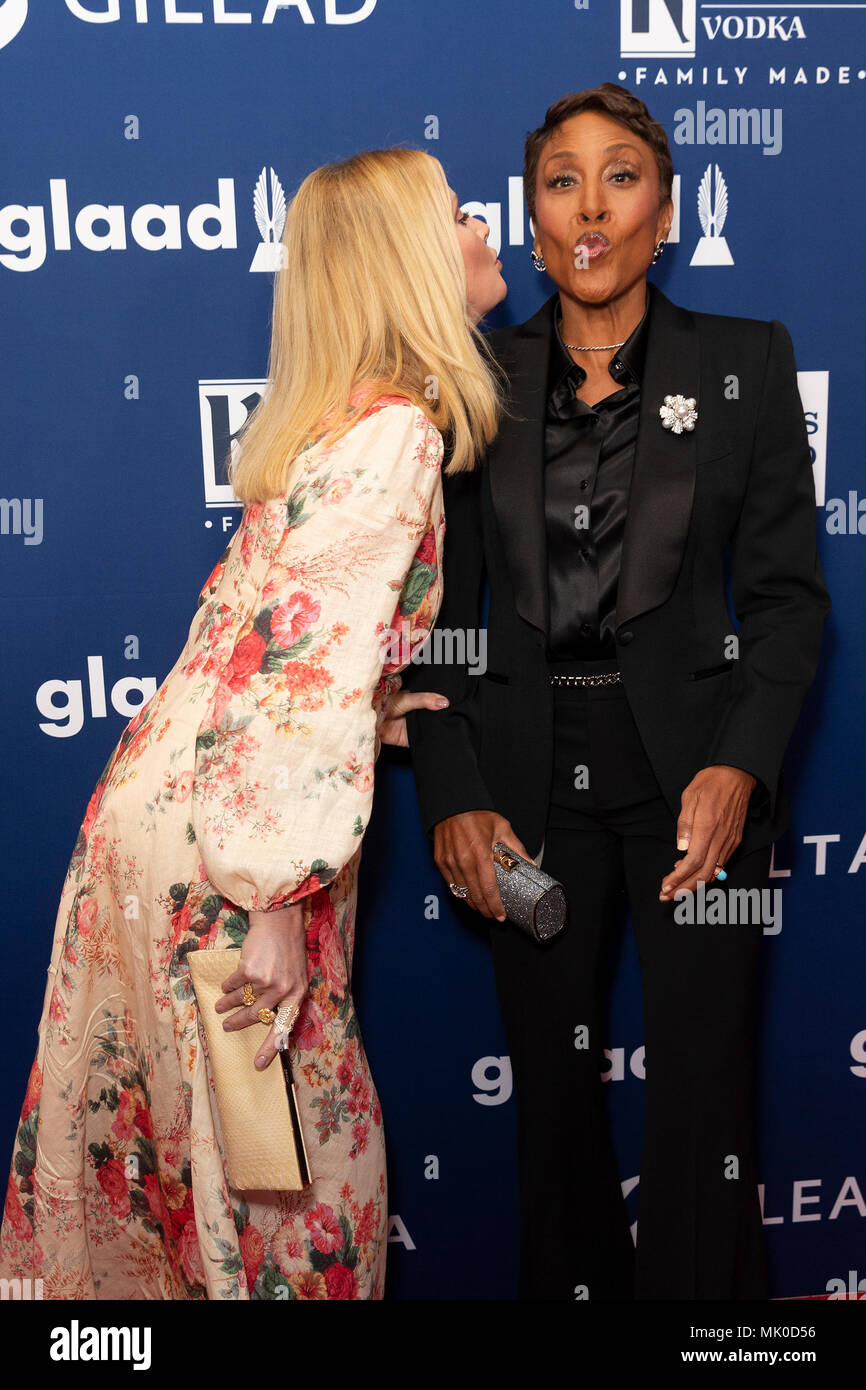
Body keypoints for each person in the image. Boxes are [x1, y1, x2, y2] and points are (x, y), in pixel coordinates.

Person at [0, 148, 506, 1300]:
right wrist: (273, 895)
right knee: (291, 1179)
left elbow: (262, 646)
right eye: (453, 209)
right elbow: (292, 676)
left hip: (164, 812)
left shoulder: (340, 418)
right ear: (407, 258)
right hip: (231, 854)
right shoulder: (395, 434)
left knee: (184, 1160)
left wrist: (363, 712)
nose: (481, 224)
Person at [402, 84, 831, 1300]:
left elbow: (790, 603)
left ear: (668, 209)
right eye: (560, 181)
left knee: (704, 1095)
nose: (589, 207)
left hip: (697, 780)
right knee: (551, 1098)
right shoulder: (471, 377)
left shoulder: (743, 363)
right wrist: (452, 787)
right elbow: (436, 617)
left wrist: (741, 764)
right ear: (531, 221)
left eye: (621, 177)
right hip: (528, 788)